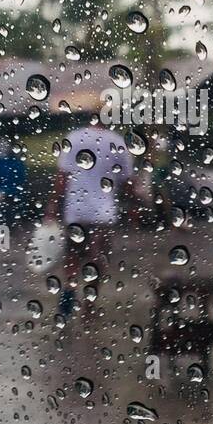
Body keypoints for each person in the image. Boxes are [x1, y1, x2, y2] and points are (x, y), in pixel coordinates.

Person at [49, 123, 132, 320]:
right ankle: (89, 305)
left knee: (72, 257)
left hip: (75, 211)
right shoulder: (117, 142)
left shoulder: (74, 137)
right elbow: (127, 180)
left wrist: (51, 208)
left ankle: (69, 293)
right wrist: (137, 204)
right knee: (98, 259)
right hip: (104, 213)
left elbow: (62, 177)